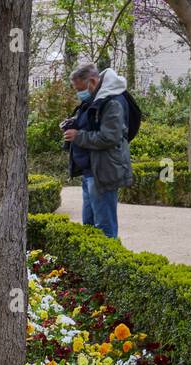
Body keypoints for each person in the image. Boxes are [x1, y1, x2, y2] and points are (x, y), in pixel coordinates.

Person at [62, 63, 134, 239]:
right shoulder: (96, 98)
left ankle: (110, 265)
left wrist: (78, 136)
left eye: (80, 89)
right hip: (90, 172)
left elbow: (110, 137)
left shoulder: (113, 101)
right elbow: (93, 123)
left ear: (93, 81)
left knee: (104, 228)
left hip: (103, 172)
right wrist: (74, 123)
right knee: (89, 226)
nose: (79, 93)